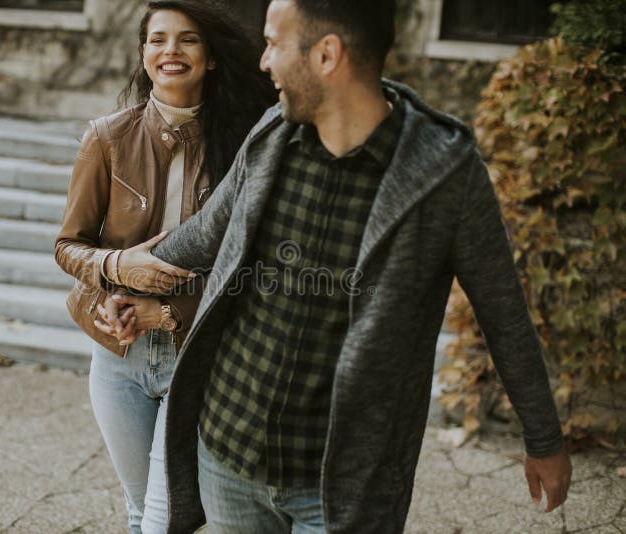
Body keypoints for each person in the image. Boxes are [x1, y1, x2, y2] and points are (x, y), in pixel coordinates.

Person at [97, 0, 575, 532]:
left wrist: (544, 440)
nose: (263, 61)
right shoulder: (271, 136)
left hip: (342, 483)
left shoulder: (444, 173)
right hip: (228, 456)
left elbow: (502, 310)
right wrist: (125, 270)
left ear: (327, 55)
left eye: (275, 43)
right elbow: (206, 233)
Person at [52, 1, 275, 532]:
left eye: (188, 39)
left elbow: (251, 264)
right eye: (157, 39)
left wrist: (167, 313)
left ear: (213, 57)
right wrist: (117, 268)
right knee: (140, 510)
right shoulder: (106, 138)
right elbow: (68, 245)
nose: (170, 50)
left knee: (161, 517)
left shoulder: (246, 144)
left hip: (199, 358)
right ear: (143, 53)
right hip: (117, 358)